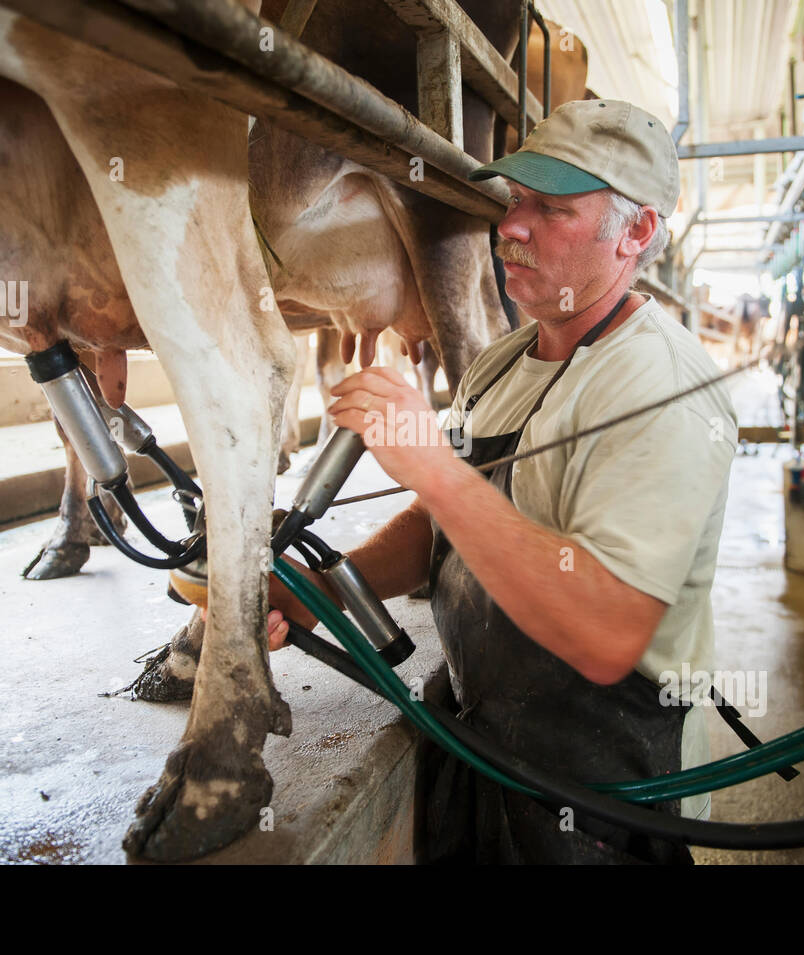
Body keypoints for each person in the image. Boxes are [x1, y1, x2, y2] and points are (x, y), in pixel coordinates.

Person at [263, 99, 738, 864]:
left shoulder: (662, 388)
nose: (511, 227)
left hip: (607, 790)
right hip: (489, 742)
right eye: (515, 200)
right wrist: (325, 589)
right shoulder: (502, 362)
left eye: (551, 209)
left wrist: (431, 462)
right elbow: (445, 523)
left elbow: (609, 634)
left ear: (638, 233)